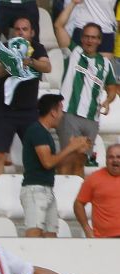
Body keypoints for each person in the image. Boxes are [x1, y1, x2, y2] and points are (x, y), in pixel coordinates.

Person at [0, 16, 51, 181]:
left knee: (35, 155)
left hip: (29, 112)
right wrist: (13, 65)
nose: (20, 32)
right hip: (5, 111)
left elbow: (47, 66)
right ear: (13, 32)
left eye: (24, 29)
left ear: (32, 32)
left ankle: (33, 188)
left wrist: (29, 61)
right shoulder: (5, 47)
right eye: (17, 29)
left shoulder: (37, 48)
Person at [55, 0, 117, 177]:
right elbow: (58, 26)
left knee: (80, 162)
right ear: (81, 38)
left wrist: (108, 100)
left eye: (94, 37)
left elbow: (112, 88)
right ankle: (61, 193)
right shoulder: (73, 53)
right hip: (69, 114)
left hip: (91, 119)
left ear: (100, 40)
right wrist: (73, 4)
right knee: (67, 159)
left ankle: (77, 194)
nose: (90, 40)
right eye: (87, 36)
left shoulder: (105, 64)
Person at [21, 94, 90, 237]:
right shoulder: (37, 131)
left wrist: (77, 152)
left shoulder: (44, 133)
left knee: (51, 234)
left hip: (47, 189)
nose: (62, 115)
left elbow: (54, 162)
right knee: (34, 233)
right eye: (61, 110)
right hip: (35, 189)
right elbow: (47, 162)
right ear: (53, 112)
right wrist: (71, 147)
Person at [74, 142, 120, 237]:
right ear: (106, 160)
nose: (115, 160)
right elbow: (78, 204)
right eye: (111, 157)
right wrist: (87, 229)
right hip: (103, 238)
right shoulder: (94, 178)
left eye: (118, 157)